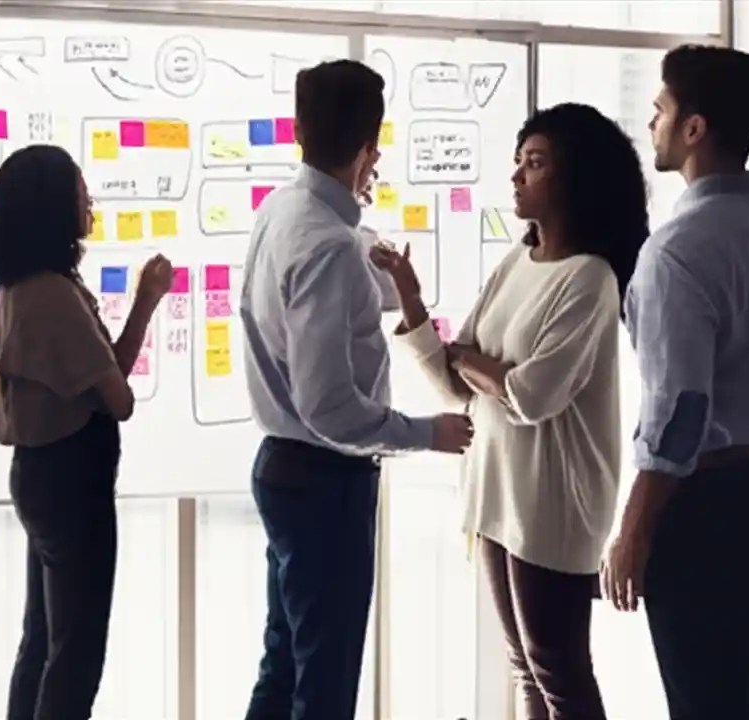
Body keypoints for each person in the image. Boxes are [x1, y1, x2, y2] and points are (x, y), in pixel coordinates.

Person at [378, 103, 649, 720]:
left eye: (535, 163)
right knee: (526, 671)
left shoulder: (590, 279)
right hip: (497, 494)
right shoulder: (514, 263)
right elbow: (456, 384)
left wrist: (474, 361)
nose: (517, 177)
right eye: (518, 162)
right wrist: (415, 304)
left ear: (572, 177)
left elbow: (531, 396)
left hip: (552, 502)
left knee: (558, 672)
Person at [240, 59, 474, 720]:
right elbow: (330, 407)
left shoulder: (285, 210)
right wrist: (428, 433)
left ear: (299, 129)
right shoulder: (329, 243)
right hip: (323, 481)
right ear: (370, 150)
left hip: (285, 469)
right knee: (326, 681)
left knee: (285, 662)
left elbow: (345, 284)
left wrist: (400, 287)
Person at [600, 44, 749, 719]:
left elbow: (679, 410)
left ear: (694, 128)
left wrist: (634, 530)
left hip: (706, 506)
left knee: (706, 701)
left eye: (660, 110)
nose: (651, 123)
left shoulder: (677, 250)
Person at [0, 144, 172, 720]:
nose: (90, 202)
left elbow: (103, 371)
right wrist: (144, 302)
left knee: (42, 641)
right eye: (82, 192)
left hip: (40, 479)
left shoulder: (19, 285)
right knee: (76, 652)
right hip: (71, 482)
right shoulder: (53, 294)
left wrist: (146, 302)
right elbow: (120, 398)